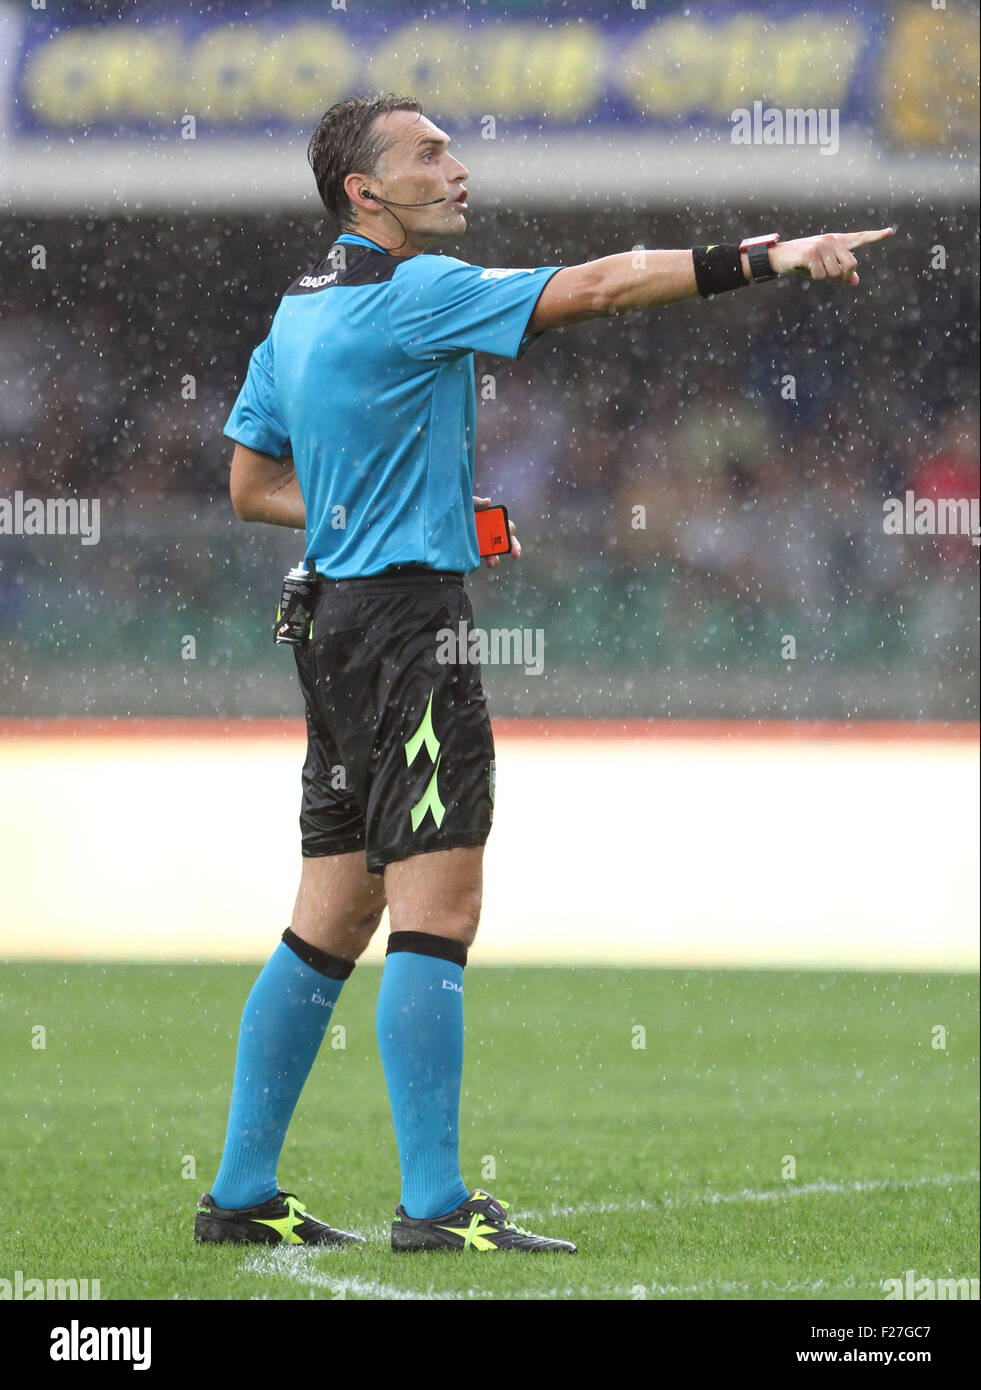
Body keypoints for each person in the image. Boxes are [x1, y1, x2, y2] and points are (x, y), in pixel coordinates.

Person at [195, 93, 892, 1255]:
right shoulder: (419, 293)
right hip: (410, 629)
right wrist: (773, 254)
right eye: (429, 154)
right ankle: (433, 1206)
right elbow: (608, 284)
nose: (457, 168)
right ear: (365, 192)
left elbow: (250, 486)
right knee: (440, 902)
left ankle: (240, 1191)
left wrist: (390, 507)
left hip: (325, 622)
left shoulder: (297, 314)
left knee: (332, 912)